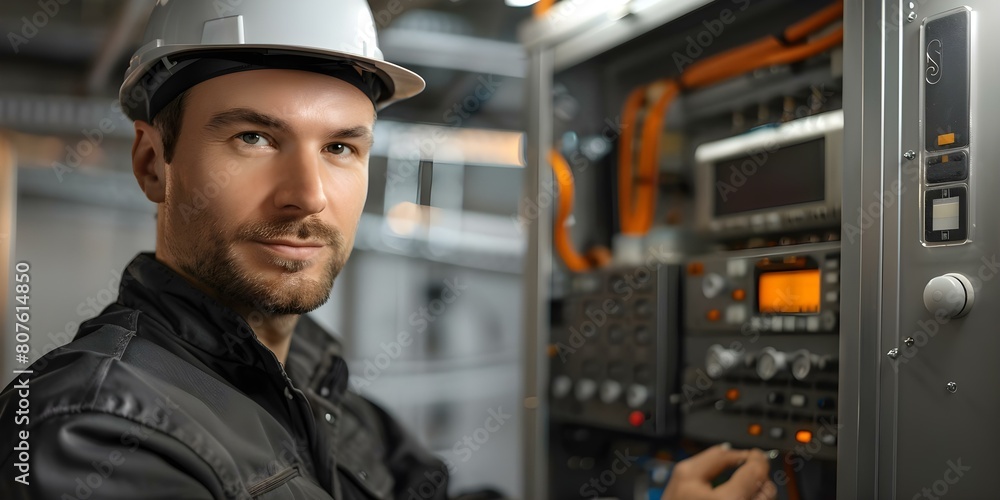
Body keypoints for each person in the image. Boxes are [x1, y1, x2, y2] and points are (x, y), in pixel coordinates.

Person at [0, 1, 776, 498]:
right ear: (151, 163)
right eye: (253, 137)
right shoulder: (88, 433)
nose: (305, 195)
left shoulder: (304, 376)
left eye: (341, 147)